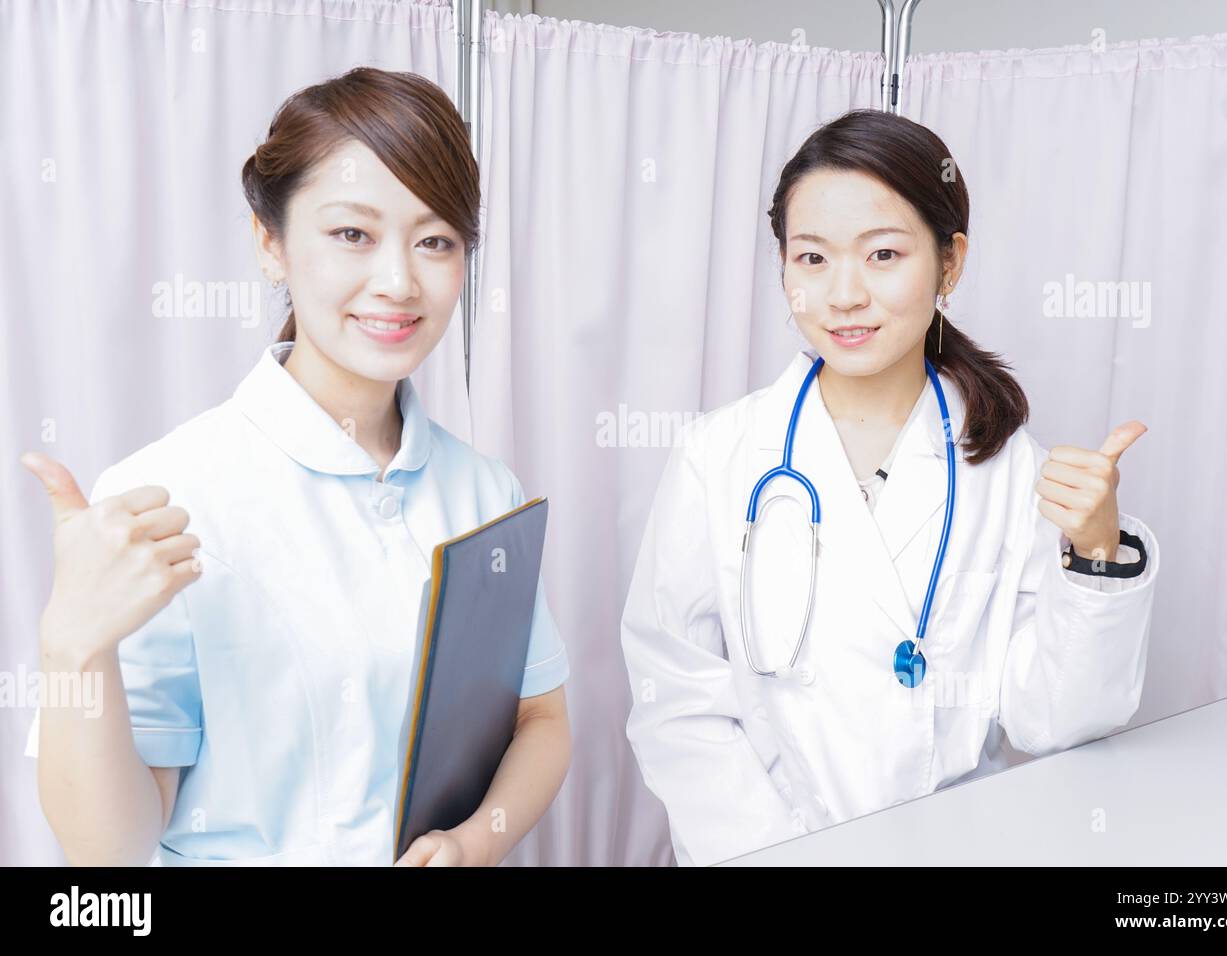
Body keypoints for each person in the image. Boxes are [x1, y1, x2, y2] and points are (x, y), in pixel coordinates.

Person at [21, 67, 570, 867]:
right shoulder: (165, 498)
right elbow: (107, 856)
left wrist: (471, 844)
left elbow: (542, 723)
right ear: (269, 242)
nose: (397, 281)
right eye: (353, 234)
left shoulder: (486, 492)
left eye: (436, 241)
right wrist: (74, 650)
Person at [619, 109, 1160, 867]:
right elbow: (675, 699)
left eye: (882, 255)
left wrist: (1096, 552)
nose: (843, 295)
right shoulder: (719, 455)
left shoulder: (1009, 468)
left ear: (949, 263)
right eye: (811, 259)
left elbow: (1055, 720)